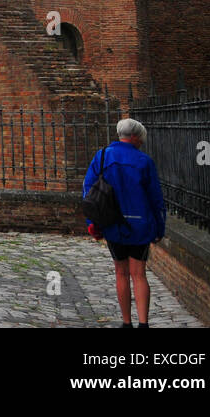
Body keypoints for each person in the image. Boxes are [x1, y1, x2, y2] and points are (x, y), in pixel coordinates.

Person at [82, 118, 166, 328]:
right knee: (139, 274)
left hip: (113, 223)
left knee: (121, 272)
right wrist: (159, 227)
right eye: (141, 139)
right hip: (140, 224)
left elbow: (89, 191)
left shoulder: (101, 157)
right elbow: (155, 199)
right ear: (135, 137)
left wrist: (92, 222)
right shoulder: (144, 161)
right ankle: (143, 323)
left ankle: (126, 322)